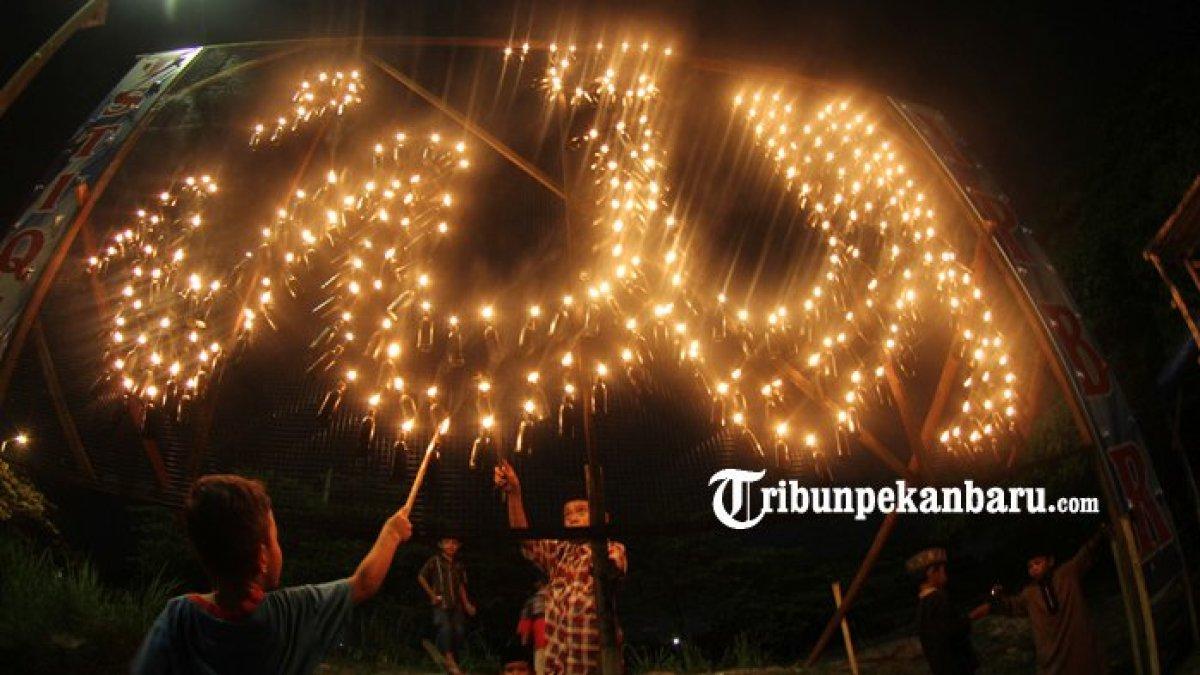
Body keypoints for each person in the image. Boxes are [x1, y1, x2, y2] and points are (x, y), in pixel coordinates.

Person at [132, 474, 412, 674]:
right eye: (275, 538)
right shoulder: (292, 613)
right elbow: (364, 584)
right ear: (262, 557)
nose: (280, 546)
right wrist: (391, 533)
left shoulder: (179, 618)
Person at [494, 461, 628, 675]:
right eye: (567, 514)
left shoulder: (612, 548)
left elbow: (613, 568)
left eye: (581, 511)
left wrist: (607, 568)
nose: (573, 517)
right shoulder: (559, 551)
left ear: (603, 518)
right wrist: (514, 493)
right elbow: (525, 539)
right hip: (558, 663)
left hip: (594, 661)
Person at [973, 528, 1108, 674]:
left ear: (1050, 561)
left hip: (1080, 653)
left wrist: (1100, 534)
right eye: (1030, 566)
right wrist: (997, 597)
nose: (1034, 569)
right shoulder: (1030, 594)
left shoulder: (1067, 574)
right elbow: (1011, 606)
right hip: (1051, 662)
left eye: (1037, 563)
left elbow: (1085, 554)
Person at [907, 547, 986, 675]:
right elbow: (953, 631)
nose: (945, 573)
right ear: (931, 572)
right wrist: (973, 616)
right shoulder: (938, 599)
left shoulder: (923, 605)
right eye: (942, 569)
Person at [417, 537, 477, 675]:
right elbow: (421, 576)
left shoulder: (459, 565)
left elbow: (461, 585)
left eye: (454, 543)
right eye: (448, 542)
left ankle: (448, 657)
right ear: (441, 545)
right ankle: (450, 662)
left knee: (459, 630)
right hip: (440, 602)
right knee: (445, 628)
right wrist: (432, 595)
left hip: (456, 604)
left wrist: (467, 604)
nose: (451, 546)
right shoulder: (435, 561)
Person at [517, 579, 550, 675]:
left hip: (542, 639)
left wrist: (524, 640)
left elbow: (525, 623)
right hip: (549, 638)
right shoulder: (556, 597)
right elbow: (526, 622)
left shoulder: (532, 601)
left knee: (541, 666)